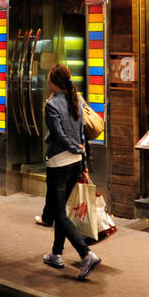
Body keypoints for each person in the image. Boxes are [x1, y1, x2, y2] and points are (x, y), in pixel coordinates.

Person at [41, 63, 101, 280]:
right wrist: (83, 159)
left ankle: (86, 254)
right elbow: (82, 134)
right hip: (75, 163)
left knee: (58, 212)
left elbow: (58, 134)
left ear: (54, 82)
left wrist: (73, 147)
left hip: (59, 163)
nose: (47, 82)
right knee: (60, 210)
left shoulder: (52, 104)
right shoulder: (77, 99)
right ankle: (56, 253)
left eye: (49, 78)